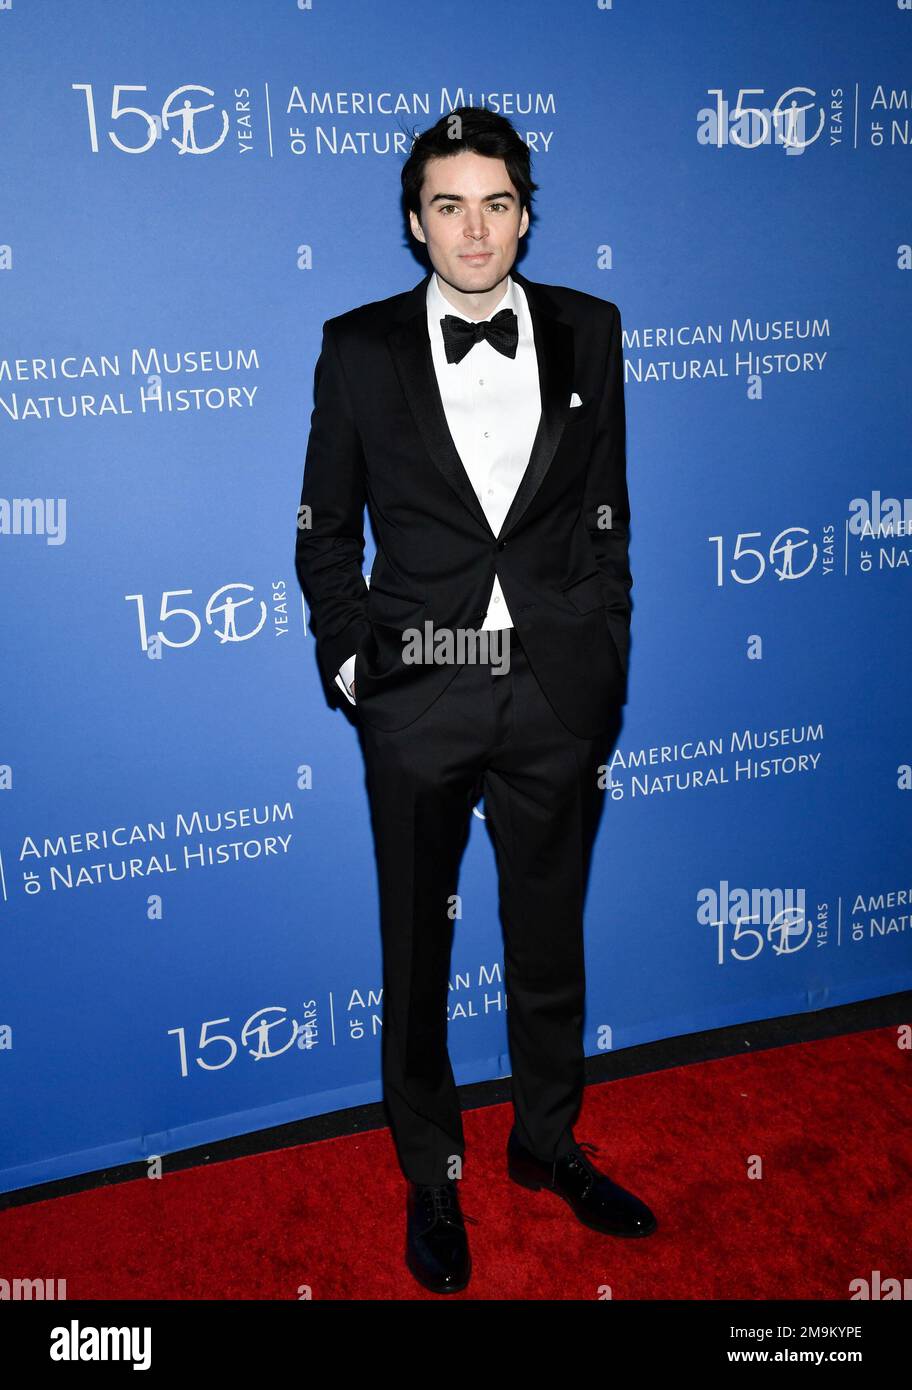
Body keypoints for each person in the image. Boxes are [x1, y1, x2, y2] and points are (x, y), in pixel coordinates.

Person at [294, 105, 657, 1295]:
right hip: (420, 696)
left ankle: (547, 1144)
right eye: (448, 203)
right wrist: (358, 668)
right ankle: (431, 1171)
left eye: (497, 201)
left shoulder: (590, 330)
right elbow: (323, 531)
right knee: (420, 950)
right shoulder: (358, 347)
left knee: (549, 941)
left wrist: (603, 647)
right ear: (415, 221)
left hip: (554, 694)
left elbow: (608, 510)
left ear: (524, 213)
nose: (474, 227)